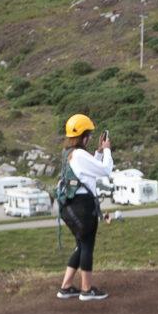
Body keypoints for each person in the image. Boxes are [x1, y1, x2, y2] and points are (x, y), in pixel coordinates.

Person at [54, 113, 112, 301]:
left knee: (80, 246)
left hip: (67, 207)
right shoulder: (79, 155)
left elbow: (87, 171)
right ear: (83, 136)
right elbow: (104, 170)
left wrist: (99, 153)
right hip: (82, 207)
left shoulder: (69, 153)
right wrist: (108, 150)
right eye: (89, 135)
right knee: (87, 245)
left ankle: (66, 286)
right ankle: (86, 289)